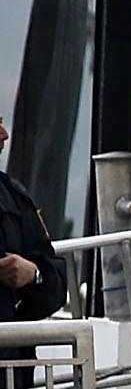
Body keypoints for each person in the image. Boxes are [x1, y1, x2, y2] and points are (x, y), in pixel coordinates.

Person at [0, 110, 69, 323]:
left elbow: (57, 284)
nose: (4, 135)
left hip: (11, 340)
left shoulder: (13, 195)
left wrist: (34, 275)